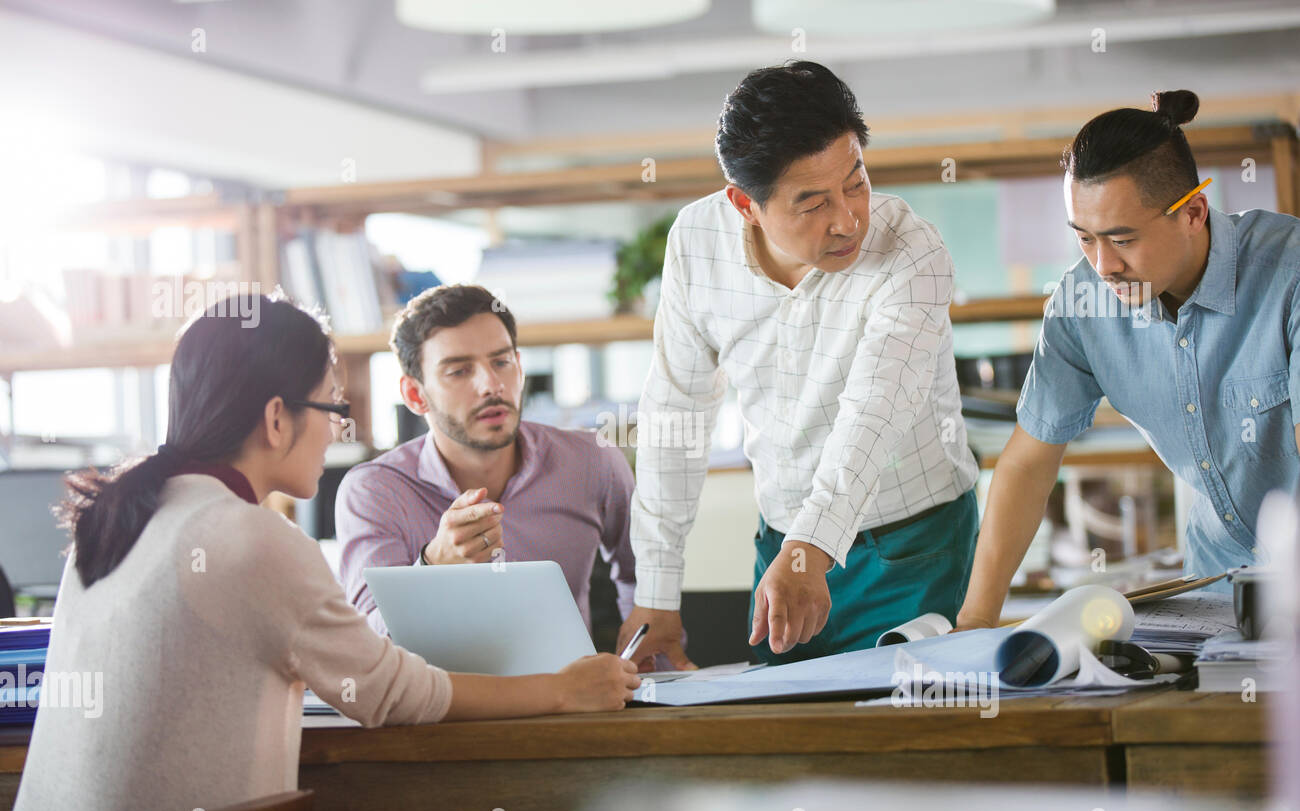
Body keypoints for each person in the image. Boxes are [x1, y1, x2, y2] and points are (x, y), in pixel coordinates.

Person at [9, 293, 638, 811]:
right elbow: (391, 694)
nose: (339, 427)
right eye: (334, 406)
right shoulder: (250, 537)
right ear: (277, 418)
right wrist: (560, 690)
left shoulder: (116, 517)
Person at [619, 60, 980, 667]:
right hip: (785, 545)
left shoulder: (912, 253)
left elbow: (877, 408)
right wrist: (656, 593)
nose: (847, 219)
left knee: (916, 743)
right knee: (789, 744)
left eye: (856, 181)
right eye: (811, 203)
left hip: (914, 546)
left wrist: (811, 548)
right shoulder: (696, 242)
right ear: (745, 204)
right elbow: (676, 411)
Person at [957, 90, 1300, 629]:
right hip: (1218, 594)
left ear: (1193, 212)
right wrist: (975, 620)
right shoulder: (1081, 306)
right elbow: (1028, 463)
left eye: (1122, 239)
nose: (1103, 265)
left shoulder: (1289, 271)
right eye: (1085, 239)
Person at [333, 284, 676, 663]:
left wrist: (652, 678)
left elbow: (642, 575)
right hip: (439, 716)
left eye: (501, 362)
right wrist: (433, 568)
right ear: (416, 396)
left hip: (573, 708)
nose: (491, 386)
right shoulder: (374, 492)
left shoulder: (592, 461)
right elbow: (367, 651)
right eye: (459, 371)